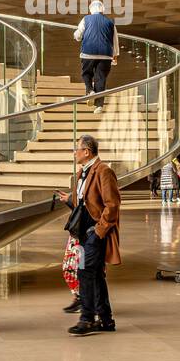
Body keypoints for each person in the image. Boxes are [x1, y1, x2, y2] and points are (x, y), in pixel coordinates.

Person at [58, 134, 120, 336]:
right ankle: (106, 319)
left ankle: (87, 319)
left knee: (85, 272)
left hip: (94, 234)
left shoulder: (104, 171)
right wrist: (70, 200)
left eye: (76, 149)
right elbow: (82, 204)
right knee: (95, 275)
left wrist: (99, 230)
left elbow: (112, 205)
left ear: (87, 151)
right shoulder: (82, 172)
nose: (74, 152)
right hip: (83, 234)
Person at [73, 0, 119, 111]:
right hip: (106, 55)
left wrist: (76, 36)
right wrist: (115, 55)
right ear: (102, 9)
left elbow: (78, 35)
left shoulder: (86, 19)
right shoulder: (110, 22)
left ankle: (90, 91)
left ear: (91, 9)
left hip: (88, 53)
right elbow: (115, 40)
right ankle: (99, 105)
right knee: (101, 79)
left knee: (86, 73)